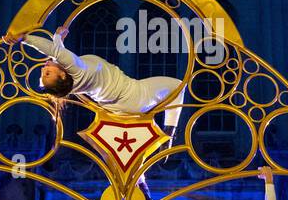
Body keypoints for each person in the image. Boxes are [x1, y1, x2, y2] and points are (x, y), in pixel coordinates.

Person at [14, 27, 184, 134]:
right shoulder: (76, 69)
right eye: (47, 73)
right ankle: (170, 132)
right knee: (176, 86)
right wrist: (24, 38)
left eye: (43, 73)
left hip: (115, 110)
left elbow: (60, 55)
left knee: (126, 147)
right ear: (62, 75)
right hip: (134, 95)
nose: (43, 68)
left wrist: (58, 39)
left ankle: (141, 183)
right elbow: (55, 52)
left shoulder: (70, 84)